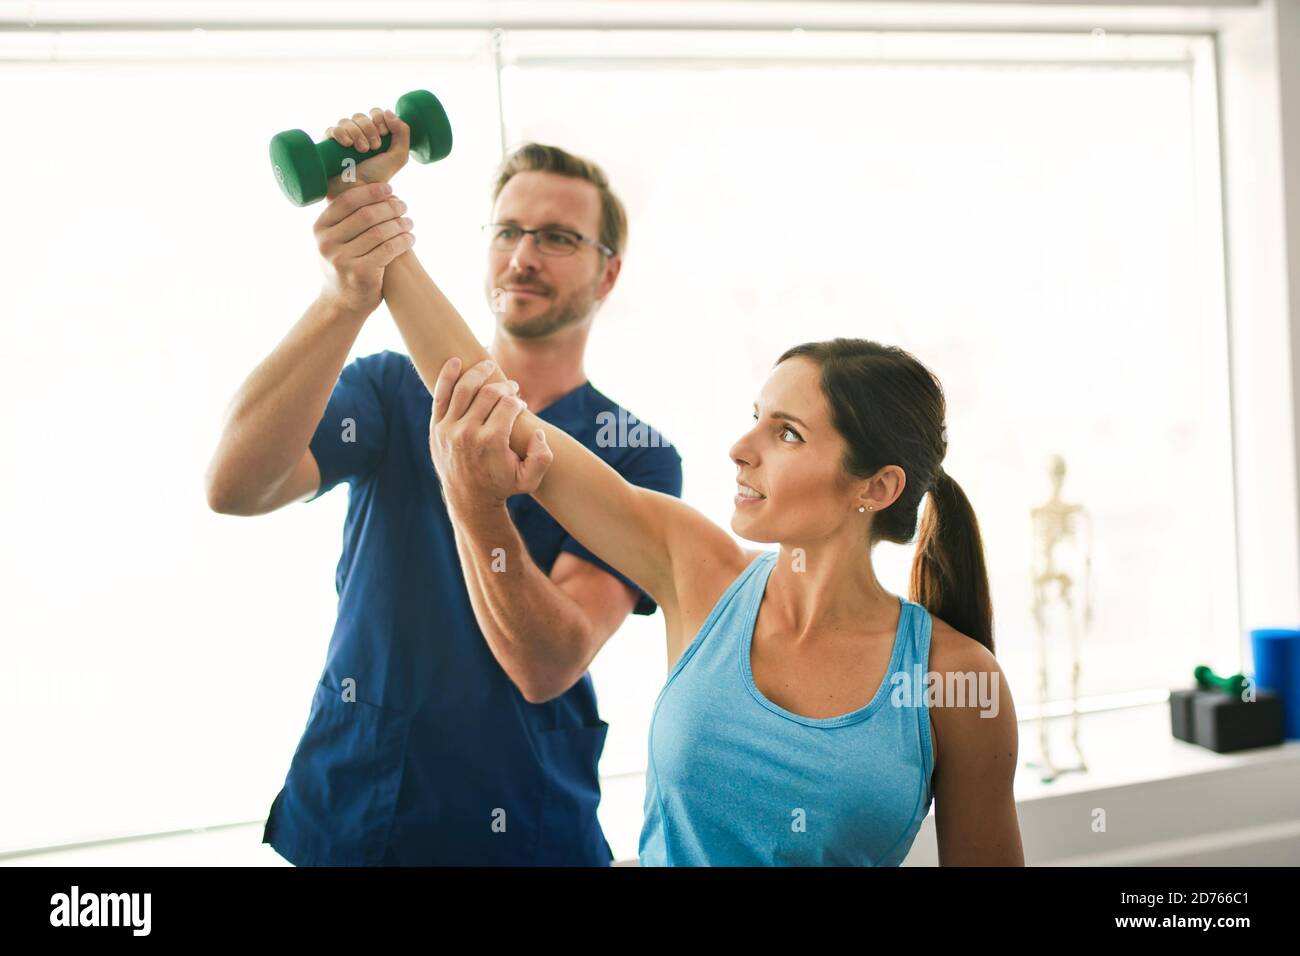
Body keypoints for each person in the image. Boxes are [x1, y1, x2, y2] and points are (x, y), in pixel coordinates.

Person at [365, 107, 1026, 866]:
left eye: (787, 434)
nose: (741, 449)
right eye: (755, 418)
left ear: (874, 486)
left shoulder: (954, 682)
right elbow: (496, 403)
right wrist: (381, 229)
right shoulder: (695, 567)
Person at [205, 109, 682, 865]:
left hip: (521, 827)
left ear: (608, 271)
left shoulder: (638, 458)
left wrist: (475, 502)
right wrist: (344, 296)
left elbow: (548, 663)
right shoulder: (389, 393)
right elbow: (234, 484)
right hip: (351, 811)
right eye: (507, 231)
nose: (523, 255)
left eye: (557, 238)